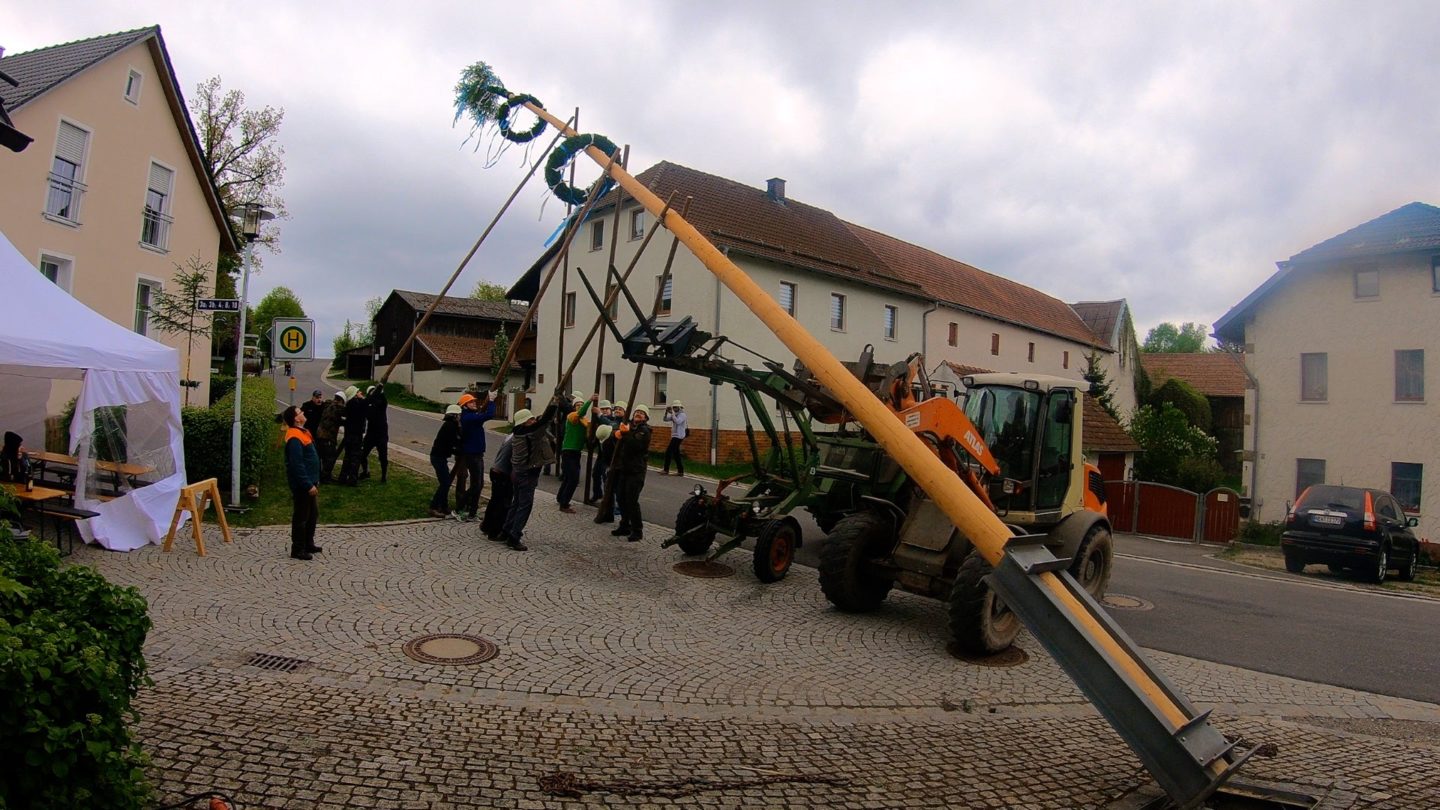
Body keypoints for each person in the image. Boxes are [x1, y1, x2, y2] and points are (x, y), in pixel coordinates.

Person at [501, 396, 559, 551]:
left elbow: (541, 421)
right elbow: (545, 420)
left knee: (517, 502)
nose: (533, 421)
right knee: (525, 506)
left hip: (518, 472)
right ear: (524, 422)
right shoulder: (530, 434)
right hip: (528, 473)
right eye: (531, 419)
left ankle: (506, 530)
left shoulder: (519, 432)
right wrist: (554, 403)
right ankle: (514, 536)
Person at [281, 405, 322, 561]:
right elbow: (296, 464)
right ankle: (297, 549)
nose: (303, 413)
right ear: (296, 418)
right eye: (300, 412)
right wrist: (307, 484)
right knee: (301, 517)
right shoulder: (294, 438)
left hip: (311, 481)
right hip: (303, 486)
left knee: (312, 515)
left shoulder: (302, 432)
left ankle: (308, 543)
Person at [611, 403, 653, 542]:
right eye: (637, 412)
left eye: (642, 413)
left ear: (645, 418)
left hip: (636, 470)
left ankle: (637, 530)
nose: (638, 414)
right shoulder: (628, 426)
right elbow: (618, 436)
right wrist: (617, 433)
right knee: (621, 497)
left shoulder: (644, 431)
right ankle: (625, 525)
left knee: (632, 500)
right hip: (624, 468)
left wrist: (625, 434)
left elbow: (635, 445)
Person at [454, 390, 496, 521]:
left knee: (478, 484)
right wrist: (492, 401)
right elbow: (489, 415)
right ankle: (459, 508)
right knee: (476, 485)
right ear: (465, 405)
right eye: (470, 402)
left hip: (477, 453)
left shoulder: (471, 416)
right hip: (472, 454)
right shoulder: (468, 418)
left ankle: (472, 512)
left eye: (474, 401)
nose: (474, 403)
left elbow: (482, 415)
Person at [557, 391, 593, 513]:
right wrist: (590, 400)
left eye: (582, 404)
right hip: (569, 450)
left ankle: (560, 497)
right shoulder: (572, 416)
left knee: (568, 477)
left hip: (576, 451)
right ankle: (564, 504)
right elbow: (580, 412)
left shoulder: (584, 421)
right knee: (573, 479)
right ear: (574, 407)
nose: (580, 407)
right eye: (578, 405)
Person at [429, 404, 462, 518]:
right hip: (438, 457)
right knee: (445, 483)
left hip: (439, 457)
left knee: (445, 482)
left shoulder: (449, 425)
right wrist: (459, 452)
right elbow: (452, 443)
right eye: (459, 415)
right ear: (455, 416)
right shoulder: (450, 427)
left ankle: (443, 505)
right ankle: (434, 507)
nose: (460, 417)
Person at [480, 434, 514, 541]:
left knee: (495, 501)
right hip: (503, 473)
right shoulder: (518, 438)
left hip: (496, 470)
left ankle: (486, 525)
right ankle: (495, 531)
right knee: (502, 503)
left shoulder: (511, 436)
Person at [337, 385, 367, 485]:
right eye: (358, 392)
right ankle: (352, 479)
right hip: (356, 435)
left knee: (347, 456)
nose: (360, 393)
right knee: (355, 457)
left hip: (348, 434)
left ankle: (342, 477)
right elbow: (367, 402)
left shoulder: (348, 405)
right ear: (354, 395)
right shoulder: (359, 404)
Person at [362, 384, 390, 482]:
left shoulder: (381, 402)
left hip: (381, 434)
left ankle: (383, 476)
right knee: (362, 454)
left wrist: (380, 390)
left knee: (383, 457)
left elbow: (384, 401)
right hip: (371, 434)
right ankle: (366, 472)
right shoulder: (368, 404)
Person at [315, 392, 345, 483]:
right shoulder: (337, 408)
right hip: (328, 437)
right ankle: (325, 477)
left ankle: (320, 475)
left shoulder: (328, 405)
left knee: (320, 457)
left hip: (319, 435)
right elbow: (347, 413)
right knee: (329, 458)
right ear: (341, 401)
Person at [662, 400, 688, 476]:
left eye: (676, 407)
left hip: (679, 436)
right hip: (674, 435)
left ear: (679, 407)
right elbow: (665, 419)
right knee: (676, 453)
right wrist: (666, 412)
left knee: (668, 452)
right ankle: (680, 471)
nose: (674, 408)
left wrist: (672, 413)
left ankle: (666, 470)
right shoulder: (675, 414)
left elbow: (678, 422)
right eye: (674, 407)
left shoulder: (682, 415)